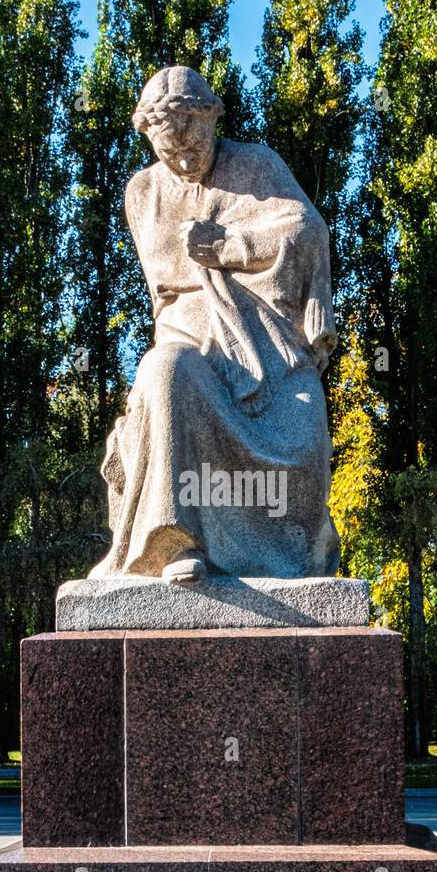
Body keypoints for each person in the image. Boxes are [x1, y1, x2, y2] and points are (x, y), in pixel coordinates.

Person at [88, 65, 340, 585]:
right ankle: (174, 543)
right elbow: (164, 301)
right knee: (164, 372)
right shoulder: (142, 195)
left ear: (213, 119)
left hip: (268, 351)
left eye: (193, 141)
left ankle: (289, 552)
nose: (183, 156)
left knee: (304, 432)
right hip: (189, 348)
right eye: (167, 148)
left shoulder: (255, 165)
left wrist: (230, 246)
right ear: (149, 139)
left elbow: (307, 231)